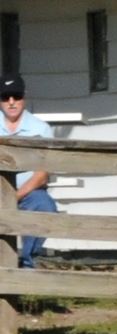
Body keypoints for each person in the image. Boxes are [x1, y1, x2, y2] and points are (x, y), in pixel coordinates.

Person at [0, 75, 56, 270]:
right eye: (5, 97)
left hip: (28, 193)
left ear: (24, 96)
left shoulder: (40, 129)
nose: (11, 102)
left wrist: (15, 196)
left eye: (16, 96)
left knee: (44, 206)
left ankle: (27, 262)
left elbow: (42, 174)